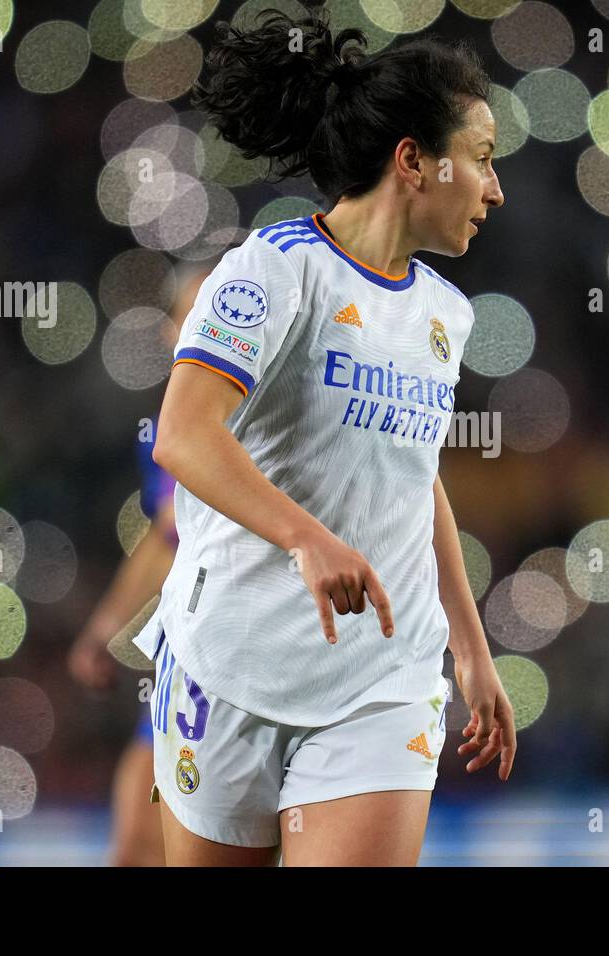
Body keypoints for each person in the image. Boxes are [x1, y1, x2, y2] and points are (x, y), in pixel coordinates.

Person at [132, 6, 513, 866]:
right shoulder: (273, 271)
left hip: (383, 678)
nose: (496, 190)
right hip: (230, 665)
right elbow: (185, 437)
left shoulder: (446, 315)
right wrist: (307, 540)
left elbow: (415, 482)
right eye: (484, 160)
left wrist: (469, 647)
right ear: (414, 160)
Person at [68, 269, 208, 866]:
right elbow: (166, 533)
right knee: (135, 849)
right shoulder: (169, 428)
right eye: (192, 317)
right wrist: (107, 625)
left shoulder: (278, 416)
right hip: (191, 664)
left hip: (259, 659)